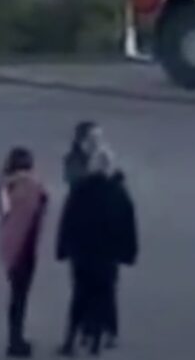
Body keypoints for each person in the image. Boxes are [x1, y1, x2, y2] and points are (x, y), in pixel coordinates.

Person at [55, 152, 137, 356]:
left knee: (79, 296)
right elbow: (128, 225)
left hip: (82, 254)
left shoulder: (80, 190)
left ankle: (70, 339)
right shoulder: (118, 193)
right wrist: (128, 253)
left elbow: (67, 221)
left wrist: (63, 249)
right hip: (107, 256)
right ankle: (97, 340)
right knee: (103, 294)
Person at [0, 147, 50, 358]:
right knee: (20, 297)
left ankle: (15, 337)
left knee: (17, 296)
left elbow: (5, 211)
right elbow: (43, 201)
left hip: (9, 245)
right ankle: (15, 341)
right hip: (25, 247)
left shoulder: (5, 185)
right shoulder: (30, 187)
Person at [61, 123, 102, 189]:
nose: (97, 143)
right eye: (93, 139)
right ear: (81, 140)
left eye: (99, 138)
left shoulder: (100, 160)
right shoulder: (73, 162)